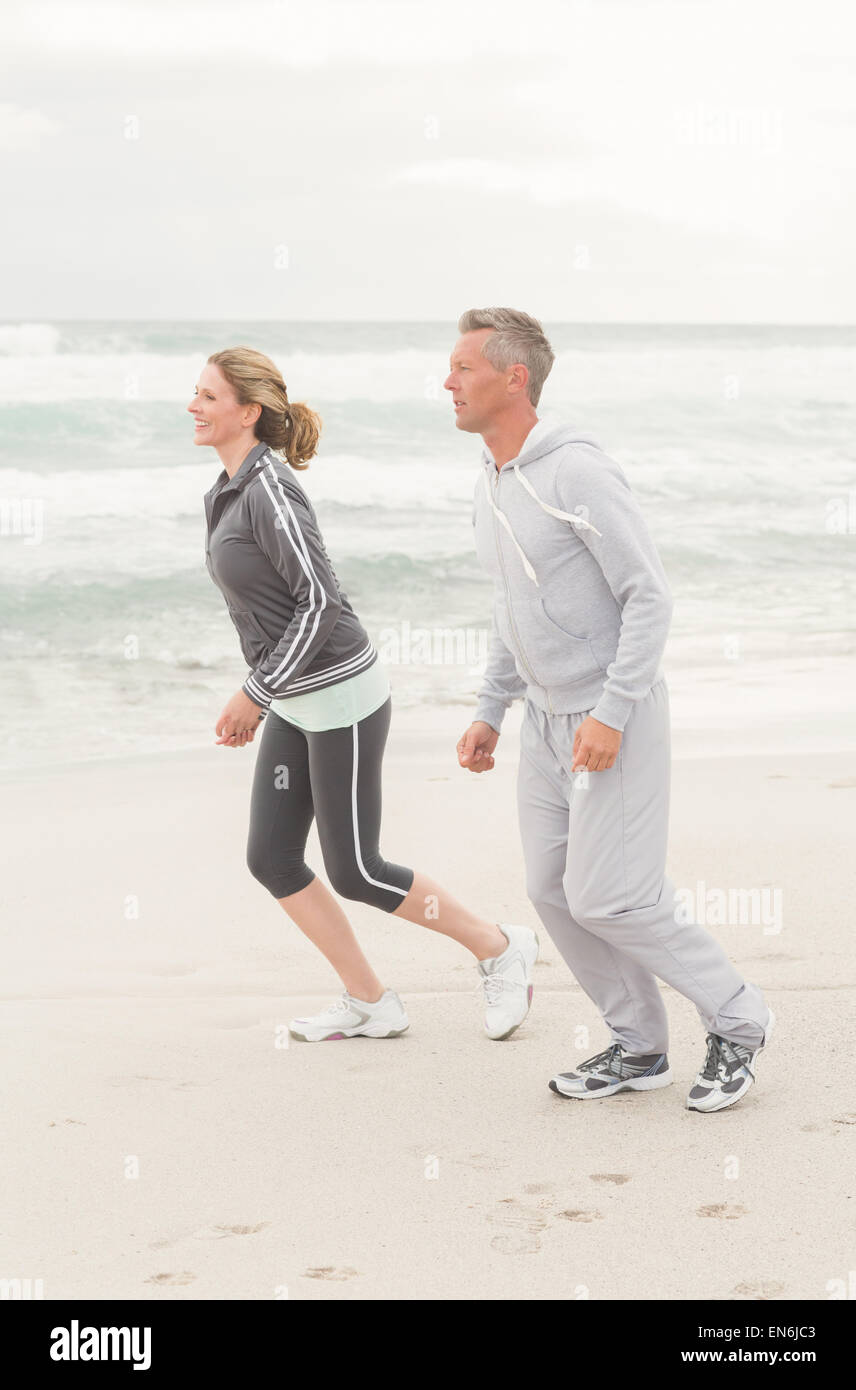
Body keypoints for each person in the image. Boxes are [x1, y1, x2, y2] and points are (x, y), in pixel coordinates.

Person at [449, 308, 775, 1112]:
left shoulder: (578, 472)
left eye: (462, 368)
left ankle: (738, 1018)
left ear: (513, 376)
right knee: (552, 887)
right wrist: (493, 704)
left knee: (613, 895)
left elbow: (648, 598)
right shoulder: (491, 482)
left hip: (610, 714)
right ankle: (639, 1045)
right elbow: (512, 606)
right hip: (544, 721)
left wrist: (613, 711)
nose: (447, 382)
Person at [192, 345, 537, 1042]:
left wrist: (253, 692)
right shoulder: (226, 489)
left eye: (207, 396)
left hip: (342, 695)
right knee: (273, 858)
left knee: (356, 870)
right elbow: (267, 608)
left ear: (248, 411)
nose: (193, 406)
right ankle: (370, 999)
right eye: (195, 394)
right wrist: (268, 692)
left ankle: (500, 948)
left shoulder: (269, 490)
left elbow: (320, 603)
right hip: (297, 696)